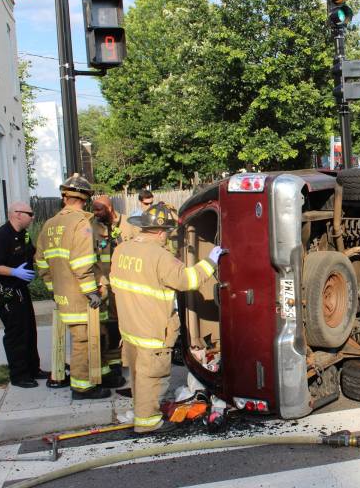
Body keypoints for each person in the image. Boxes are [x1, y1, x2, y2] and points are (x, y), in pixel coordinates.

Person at [110, 202, 223, 434]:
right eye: (167, 234)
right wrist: (211, 261)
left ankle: (140, 412)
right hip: (153, 331)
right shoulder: (160, 256)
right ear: (161, 233)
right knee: (152, 379)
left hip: (130, 329)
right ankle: (148, 422)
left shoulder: (122, 250)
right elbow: (188, 280)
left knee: (139, 377)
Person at [35, 174, 110, 399]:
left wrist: (53, 288)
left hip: (63, 294)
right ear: (86, 199)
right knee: (83, 340)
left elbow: (41, 262)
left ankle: (100, 373)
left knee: (94, 335)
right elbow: (81, 263)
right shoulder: (80, 223)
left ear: (64, 197)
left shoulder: (49, 225)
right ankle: (82, 387)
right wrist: (91, 292)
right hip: (80, 295)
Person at [0, 202, 49, 388]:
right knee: (16, 334)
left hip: (21, 289)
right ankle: (19, 376)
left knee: (29, 330)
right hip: (6, 292)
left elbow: (33, 253)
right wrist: (14, 272)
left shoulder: (24, 235)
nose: (33, 217)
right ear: (18, 214)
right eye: (30, 214)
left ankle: (33, 369)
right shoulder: (2, 236)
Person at [91, 196, 136, 388]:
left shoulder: (129, 225)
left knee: (123, 323)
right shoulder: (91, 227)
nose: (95, 213)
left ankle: (122, 360)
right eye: (93, 209)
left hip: (124, 285)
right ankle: (111, 364)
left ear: (109, 208)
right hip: (103, 285)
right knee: (106, 326)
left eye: (99, 209)